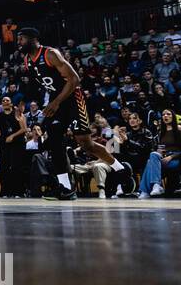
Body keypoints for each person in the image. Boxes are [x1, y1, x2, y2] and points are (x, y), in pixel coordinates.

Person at [16, 28, 124, 201]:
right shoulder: (27, 60)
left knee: (86, 144)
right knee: (54, 142)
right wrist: (22, 102)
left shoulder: (50, 54)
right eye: (18, 39)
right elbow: (35, 86)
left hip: (73, 98)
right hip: (55, 100)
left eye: (21, 39)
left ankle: (120, 169)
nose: (18, 42)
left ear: (33, 39)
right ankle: (65, 187)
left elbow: (74, 79)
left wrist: (56, 101)